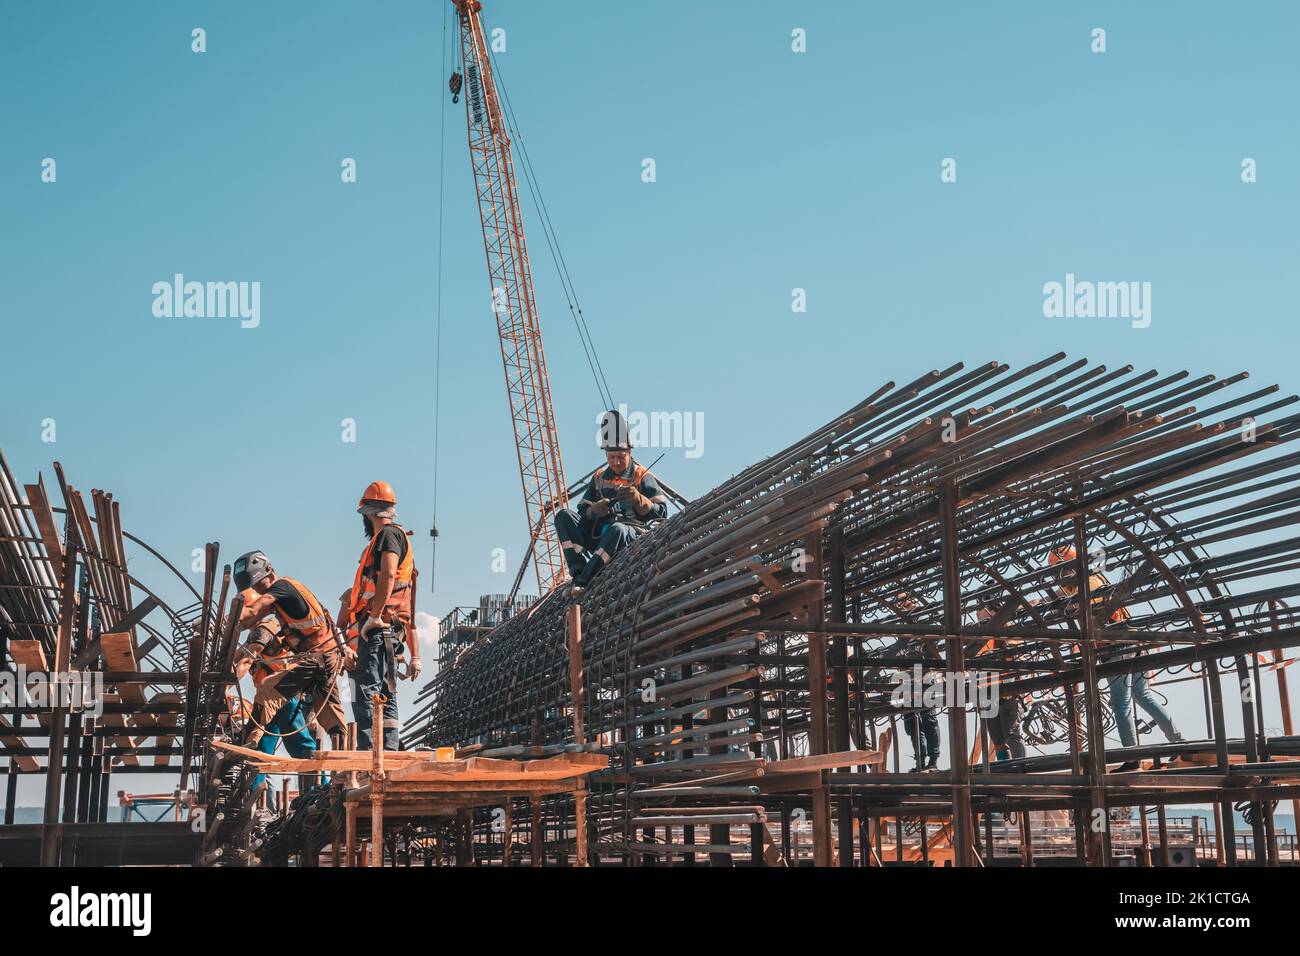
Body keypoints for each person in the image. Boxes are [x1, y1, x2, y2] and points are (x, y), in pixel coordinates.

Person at [1048, 546, 1183, 771]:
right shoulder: (1073, 586)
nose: (1058, 576)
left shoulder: (1090, 582)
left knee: (1121, 703)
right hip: (1127, 643)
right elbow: (1060, 599)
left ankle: (1132, 759)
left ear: (1071, 567)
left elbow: (1086, 601)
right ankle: (1179, 744)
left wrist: (1067, 606)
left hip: (1117, 646)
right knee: (1142, 695)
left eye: (1059, 570)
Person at [231, 551, 349, 754]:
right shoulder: (281, 596)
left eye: (260, 584)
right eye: (255, 587)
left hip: (319, 658)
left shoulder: (281, 588)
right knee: (331, 714)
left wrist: (221, 622)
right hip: (326, 657)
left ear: (270, 570)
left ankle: (247, 739)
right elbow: (252, 618)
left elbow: (253, 611)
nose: (259, 590)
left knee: (269, 688)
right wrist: (233, 627)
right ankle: (345, 771)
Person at [554, 409, 669, 593]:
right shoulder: (599, 478)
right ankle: (578, 570)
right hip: (601, 535)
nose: (615, 462)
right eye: (611, 457)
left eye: (620, 457)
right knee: (563, 516)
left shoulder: (642, 475)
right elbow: (582, 511)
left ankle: (583, 582)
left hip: (631, 536)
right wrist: (595, 511)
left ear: (629, 452)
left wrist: (639, 500)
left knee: (617, 529)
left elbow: (662, 513)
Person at [346, 481, 422, 751]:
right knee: (386, 690)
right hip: (390, 629)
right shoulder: (395, 535)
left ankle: (370, 752)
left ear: (368, 513)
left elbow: (388, 575)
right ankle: (388, 751)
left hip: (379, 627)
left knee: (367, 688)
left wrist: (374, 615)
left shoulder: (389, 536)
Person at [232, 588, 320, 805]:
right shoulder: (259, 631)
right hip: (270, 700)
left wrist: (225, 684)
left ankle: (320, 793)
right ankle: (259, 806)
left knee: (301, 747)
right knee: (261, 753)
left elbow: (245, 662)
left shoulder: (262, 631)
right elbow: (236, 656)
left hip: (282, 697)